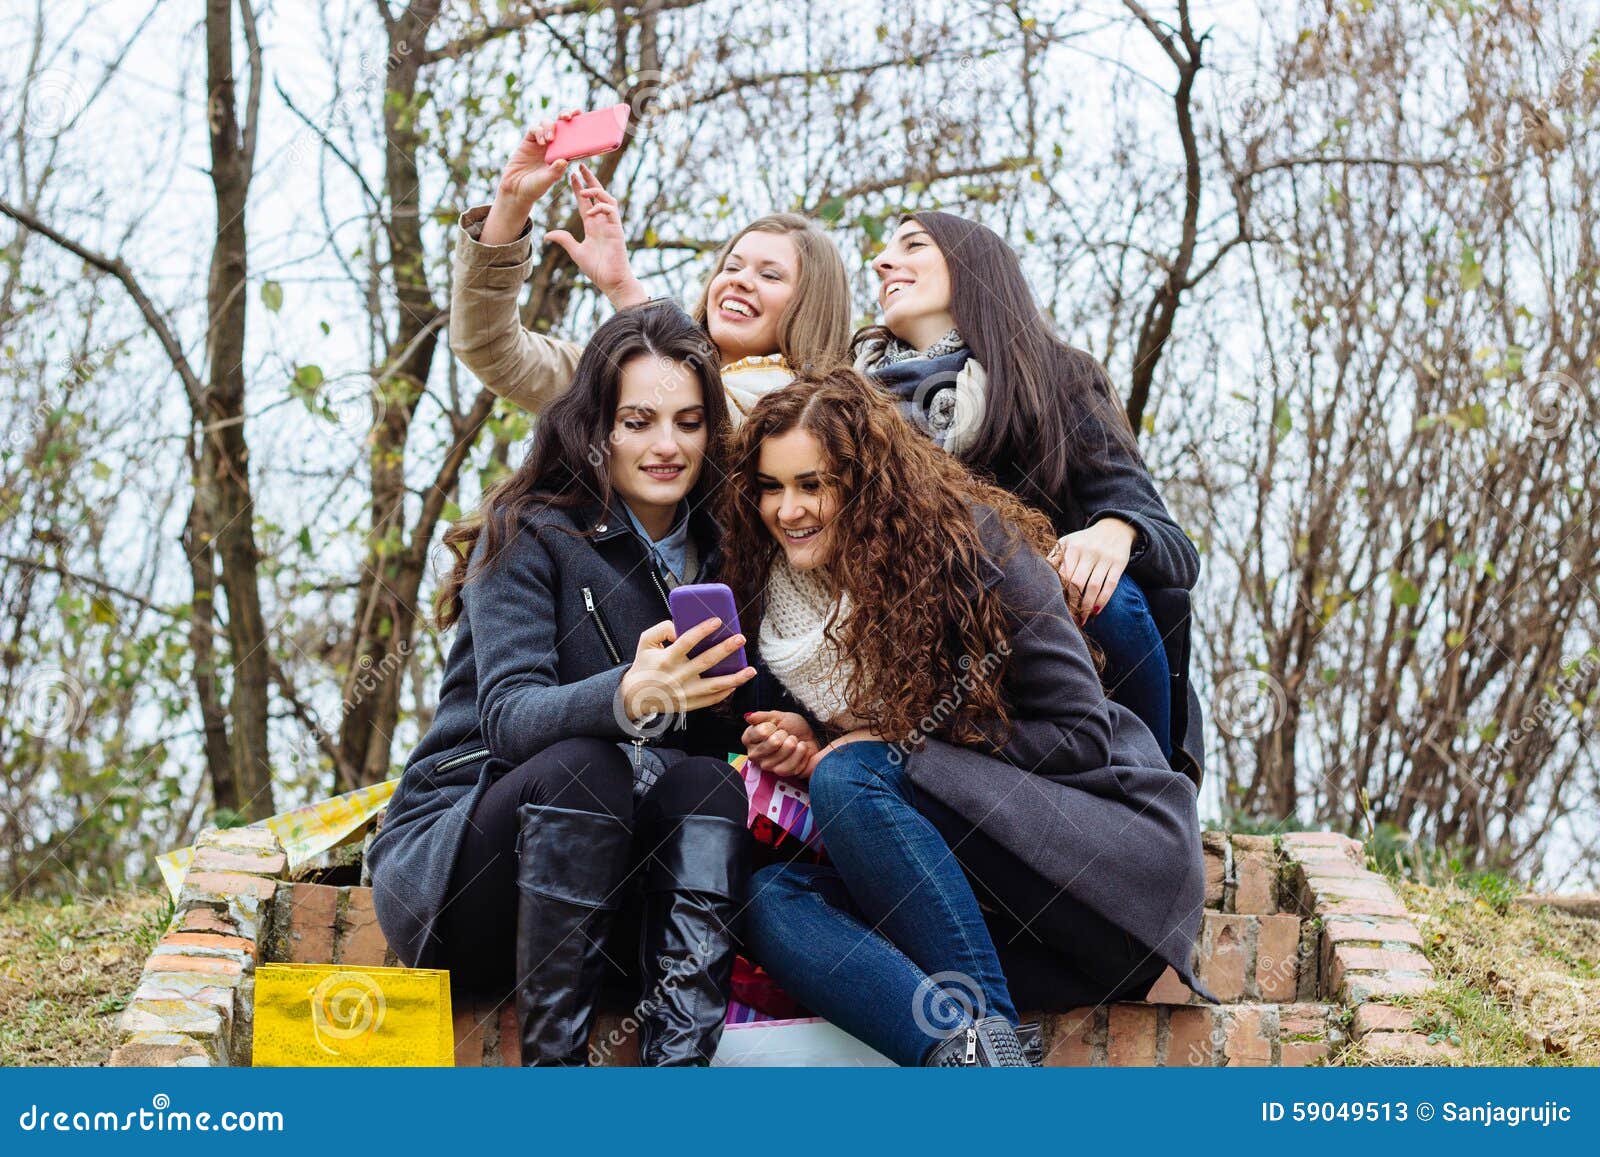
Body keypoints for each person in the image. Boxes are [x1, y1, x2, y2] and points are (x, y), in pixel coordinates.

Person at [725, 369, 1216, 1067]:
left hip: (1101, 879)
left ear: (865, 481)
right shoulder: (792, 605)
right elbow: (893, 764)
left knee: (850, 775)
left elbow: (1080, 737)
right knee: (771, 897)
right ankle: (963, 1053)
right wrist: (826, 742)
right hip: (989, 926)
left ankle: (993, 1064)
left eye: (812, 483)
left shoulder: (975, 547)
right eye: (771, 488)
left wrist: (887, 744)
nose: (788, 509)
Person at [366, 302, 758, 1066]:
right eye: (638, 421)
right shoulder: (528, 529)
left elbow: (714, 741)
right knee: (587, 763)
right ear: (597, 426)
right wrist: (628, 695)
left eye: (688, 421)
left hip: (618, 911)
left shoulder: (728, 548)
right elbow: (508, 719)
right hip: (473, 883)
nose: (666, 446)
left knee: (710, 783)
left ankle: (677, 1079)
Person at [855, 212, 1201, 771]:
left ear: (974, 267)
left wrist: (1116, 530)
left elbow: (1175, 550)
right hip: (925, 672)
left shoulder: (1056, 377)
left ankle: (1146, 789)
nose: (881, 261)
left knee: (1105, 592)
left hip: (1045, 654)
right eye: (883, 250)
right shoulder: (845, 408)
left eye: (913, 244)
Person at [451, 113, 852, 423]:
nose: (739, 282)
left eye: (769, 275)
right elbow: (492, 350)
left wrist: (628, 294)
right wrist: (511, 203)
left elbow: (708, 423)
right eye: (731, 267)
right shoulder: (623, 370)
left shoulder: (810, 409)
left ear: (812, 305)